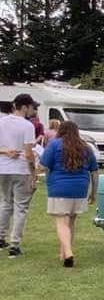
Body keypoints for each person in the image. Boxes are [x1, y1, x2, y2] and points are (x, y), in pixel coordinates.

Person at [40, 121, 99, 267]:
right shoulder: (86, 147)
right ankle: (64, 253)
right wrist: (93, 193)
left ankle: (68, 253)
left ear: (61, 131)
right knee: (71, 222)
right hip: (80, 189)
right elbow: (95, 172)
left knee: (62, 222)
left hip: (59, 188)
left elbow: (42, 165)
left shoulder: (54, 144)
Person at [0, 94, 40, 257]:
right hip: (21, 169)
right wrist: (33, 174)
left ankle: (1, 238)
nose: (33, 110)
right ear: (24, 107)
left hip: (2, 168)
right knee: (21, 208)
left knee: (5, 203)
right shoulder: (27, 126)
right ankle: (14, 245)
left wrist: (5, 151)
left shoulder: (1, 121)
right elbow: (29, 154)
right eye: (32, 107)